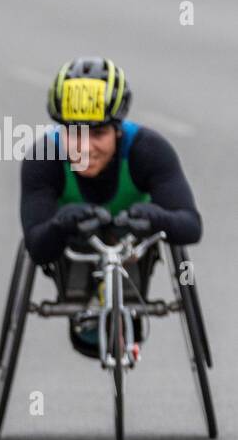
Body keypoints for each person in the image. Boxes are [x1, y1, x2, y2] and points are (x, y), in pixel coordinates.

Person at [20, 57, 201, 355]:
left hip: (133, 243)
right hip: (72, 247)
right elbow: (37, 247)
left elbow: (191, 226)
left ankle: (128, 303)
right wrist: (61, 223)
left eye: (99, 133)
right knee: (68, 240)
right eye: (75, 133)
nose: (86, 147)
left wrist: (157, 218)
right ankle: (86, 306)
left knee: (142, 233)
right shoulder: (44, 157)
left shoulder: (149, 150)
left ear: (118, 129)